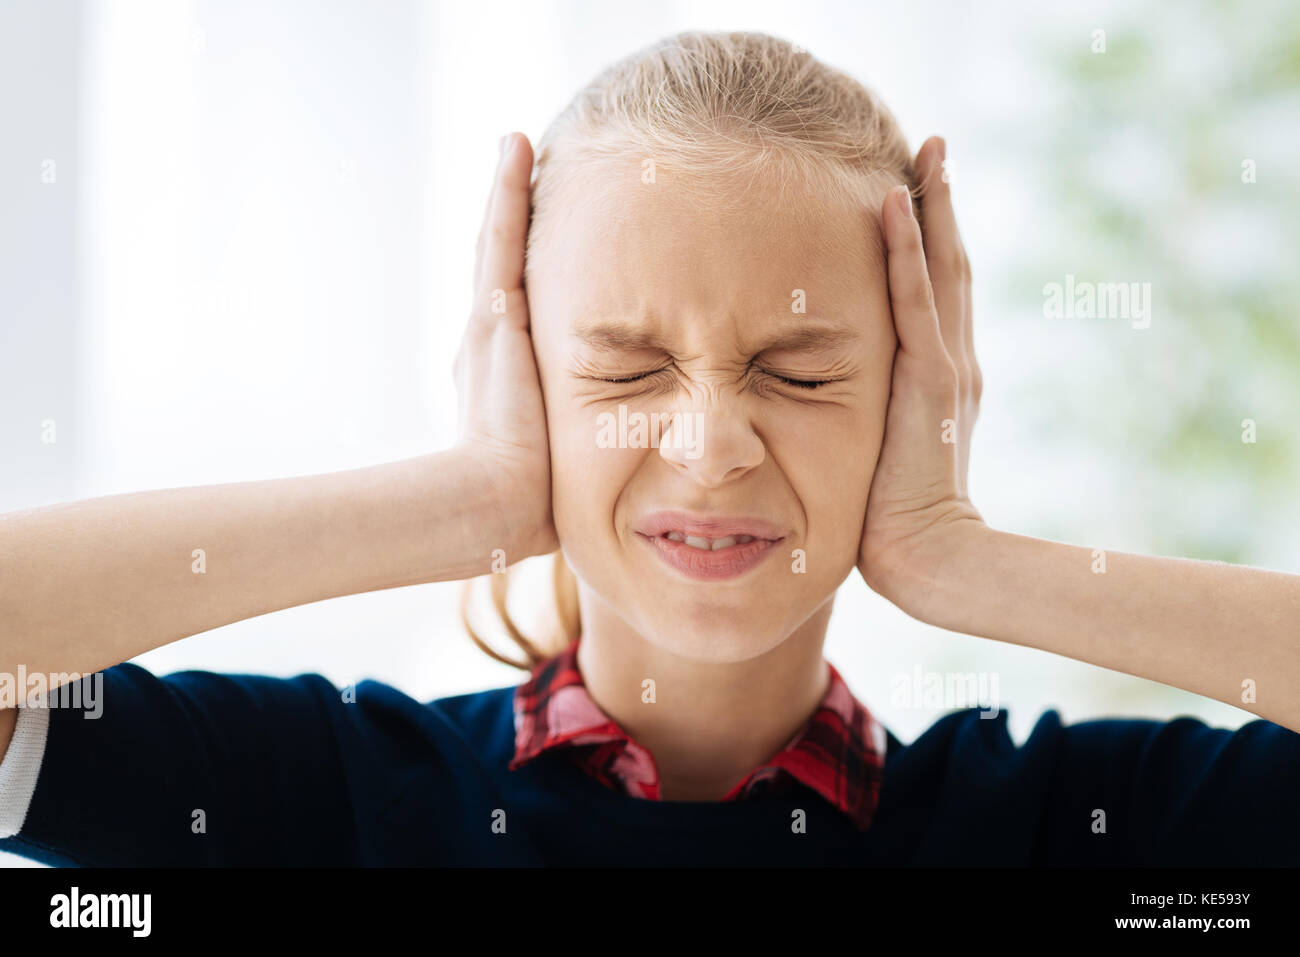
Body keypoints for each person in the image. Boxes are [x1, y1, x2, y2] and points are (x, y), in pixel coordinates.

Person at [1, 31, 1297, 867]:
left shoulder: (1064, 831)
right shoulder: (331, 798)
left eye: (799, 371)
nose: (711, 443)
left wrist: (955, 558)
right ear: (524, 386)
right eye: (623, 369)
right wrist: (469, 501)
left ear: (917, 395)